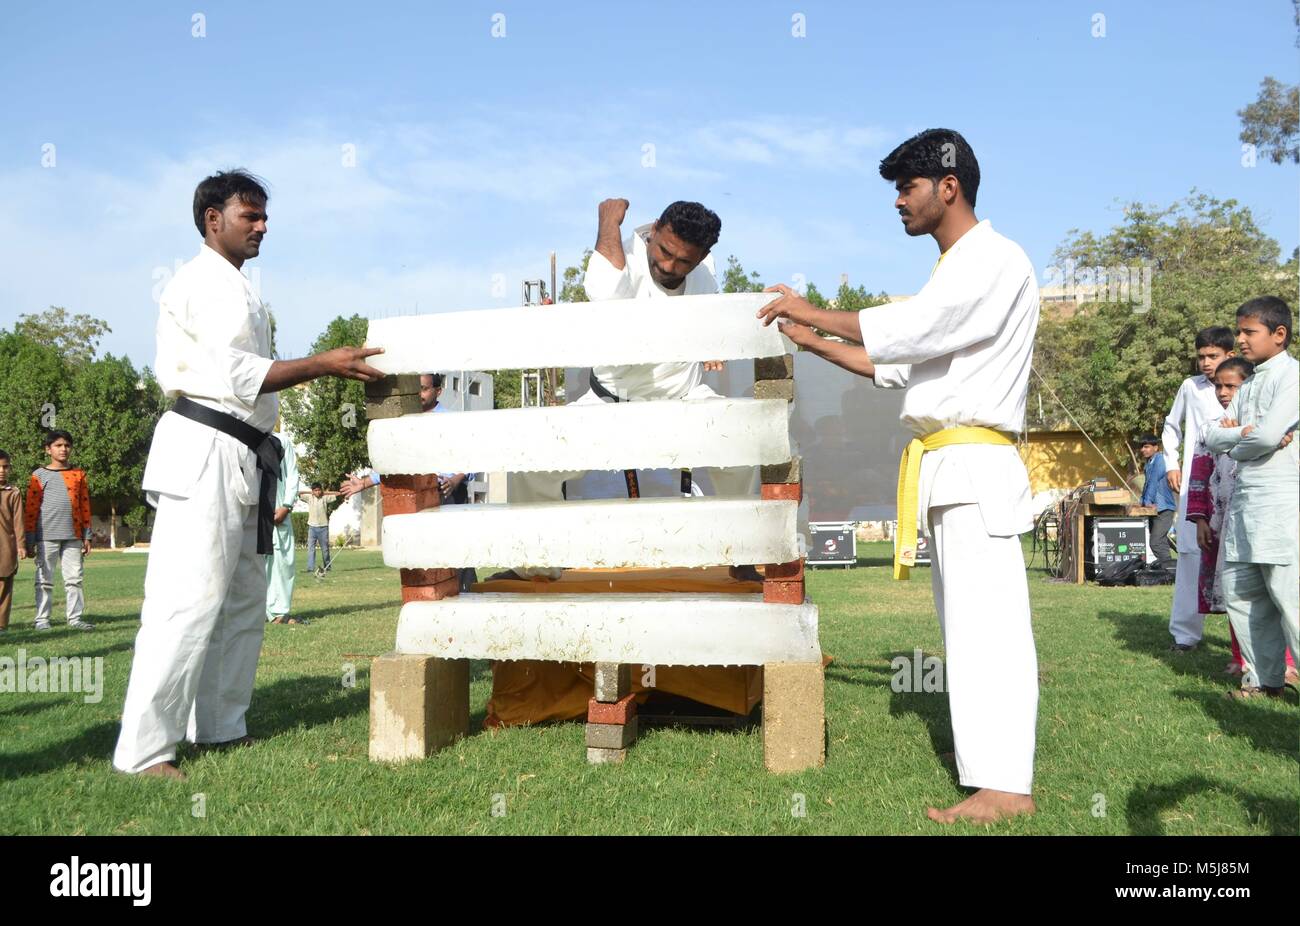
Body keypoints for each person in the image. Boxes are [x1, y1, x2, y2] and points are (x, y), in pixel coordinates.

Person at [758, 128, 1039, 824]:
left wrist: (811, 310)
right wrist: (808, 339)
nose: (898, 202)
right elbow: (893, 365)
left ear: (949, 186)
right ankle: (993, 777)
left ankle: (1007, 786)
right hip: (951, 466)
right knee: (965, 630)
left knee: (989, 631)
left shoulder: (995, 260)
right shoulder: (954, 272)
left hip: (976, 465)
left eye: (906, 187)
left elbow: (913, 330)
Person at [112, 169, 384, 779]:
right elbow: (238, 374)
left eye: (264, 217)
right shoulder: (204, 284)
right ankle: (144, 751)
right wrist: (323, 364)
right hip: (204, 445)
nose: (262, 227)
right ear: (213, 219)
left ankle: (218, 725)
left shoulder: (239, 288)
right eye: (249, 216)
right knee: (185, 603)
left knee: (239, 601)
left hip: (243, 452)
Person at [500, 198, 757, 581]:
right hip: (610, 401)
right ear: (653, 230)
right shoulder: (627, 256)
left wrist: (716, 343)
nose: (669, 266)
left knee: (743, 440)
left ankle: (743, 555)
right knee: (532, 457)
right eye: (665, 251)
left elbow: (714, 323)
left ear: (702, 257)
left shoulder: (706, 279)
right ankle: (534, 568)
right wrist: (607, 221)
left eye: (684, 261)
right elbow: (602, 295)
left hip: (681, 399)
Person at [1203, 297, 1299, 700]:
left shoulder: (1291, 376)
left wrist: (1241, 437)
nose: (1239, 339)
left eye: (1248, 332)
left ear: (1279, 335)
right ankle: (1263, 681)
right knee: (1243, 594)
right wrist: (1248, 437)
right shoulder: (1253, 379)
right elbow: (1213, 436)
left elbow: (1252, 436)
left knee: (1290, 597)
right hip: (1245, 502)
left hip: (1281, 501)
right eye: (1239, 331)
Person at [1184, 357, 1297, 681]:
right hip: (1224, 524)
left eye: (1231, 385)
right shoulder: (1215, 425)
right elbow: (1201, 469)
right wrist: (1201, 519)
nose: (1222, 392)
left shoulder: (1278, 422)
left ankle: (1286, 663)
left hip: (1269, 518)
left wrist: (1253, 437)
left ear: (1249, 387)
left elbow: (1269, 442)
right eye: (1219, 385)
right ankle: (1243, 659)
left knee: (1280, 592)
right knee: (1237, 593)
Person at [340, 373, 479, 590]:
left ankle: (468, 599)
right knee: (428, 558)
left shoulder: (451, 422)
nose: (418, 394)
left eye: (424, 389)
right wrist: (365, 482)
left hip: (449, 496)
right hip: (418, 501)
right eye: (416, 389)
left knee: (458, 555)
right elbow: (396, 464)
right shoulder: (405, 423)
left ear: (438, 391)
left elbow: (472, 461)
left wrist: (455, 479)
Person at [1162, 326, 1236, 652]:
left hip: (1236, 486)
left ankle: (1247, 643)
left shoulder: (1244, 386)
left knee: (1240, 561)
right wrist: (1171, 463)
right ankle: (1185, 635)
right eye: (1202, 356)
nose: (1206, 362)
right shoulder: (1191, 388)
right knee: (1191, 556)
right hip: (1197, 486)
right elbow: (1170, 425)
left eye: (1213, 356)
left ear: (1229, 355)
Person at [25, 429, 93, 631]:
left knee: (74, 580)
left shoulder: (78, 474)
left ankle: (75, 618)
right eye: (58, 445)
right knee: (44, 580)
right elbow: (31, 509)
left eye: (67, 445)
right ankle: (42, 620)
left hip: (73, 536)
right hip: (46, 537)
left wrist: (87, 535)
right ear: (48, 449)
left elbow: (85, 505)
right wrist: (30, 538)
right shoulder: (38, 475)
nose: (63, 449)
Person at [265, 429, 301, 623]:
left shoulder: (281, 441)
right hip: (254, 512)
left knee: (282, 562)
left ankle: (279, 612)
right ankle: (258, 611)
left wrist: (286, 505)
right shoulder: (244, 437)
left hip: (279, 510)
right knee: (254, 563)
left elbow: (292, 474)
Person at [1137, 434, 1176, 568]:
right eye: (1142, 447)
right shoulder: (1149, 463)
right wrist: (1142, 501)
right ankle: (1170, 569)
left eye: (1147, 446)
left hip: (1164, 508)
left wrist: (1147, 502)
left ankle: (1169, 569)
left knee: (1156, 542)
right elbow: (1146, 484)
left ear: (1156, 447)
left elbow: (1153, 482)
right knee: (1161, 541)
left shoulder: (1160, 460)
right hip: (1154, 510)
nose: (1143, 450)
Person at [0, 450, 26, 633]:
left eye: (5, 466)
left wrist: (21, 545)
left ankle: (1, 624)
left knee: (4, 585)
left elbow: (18, 522)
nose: (2, 470)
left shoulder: (13, 493)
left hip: (5, 547)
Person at [302, 483, 341, 575]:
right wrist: (305, 492)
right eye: (315, 490)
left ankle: (327, 567)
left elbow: (337, 494)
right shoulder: (309, 498)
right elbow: (299, 494)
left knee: (325, 549)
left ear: (321, 490)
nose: (318, 492)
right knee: (311, 549)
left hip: (323, 527)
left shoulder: (325, 498)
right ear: (312, 491)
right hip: (312, 527)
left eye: (319, 490)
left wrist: (328, 493)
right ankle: (310, 568)